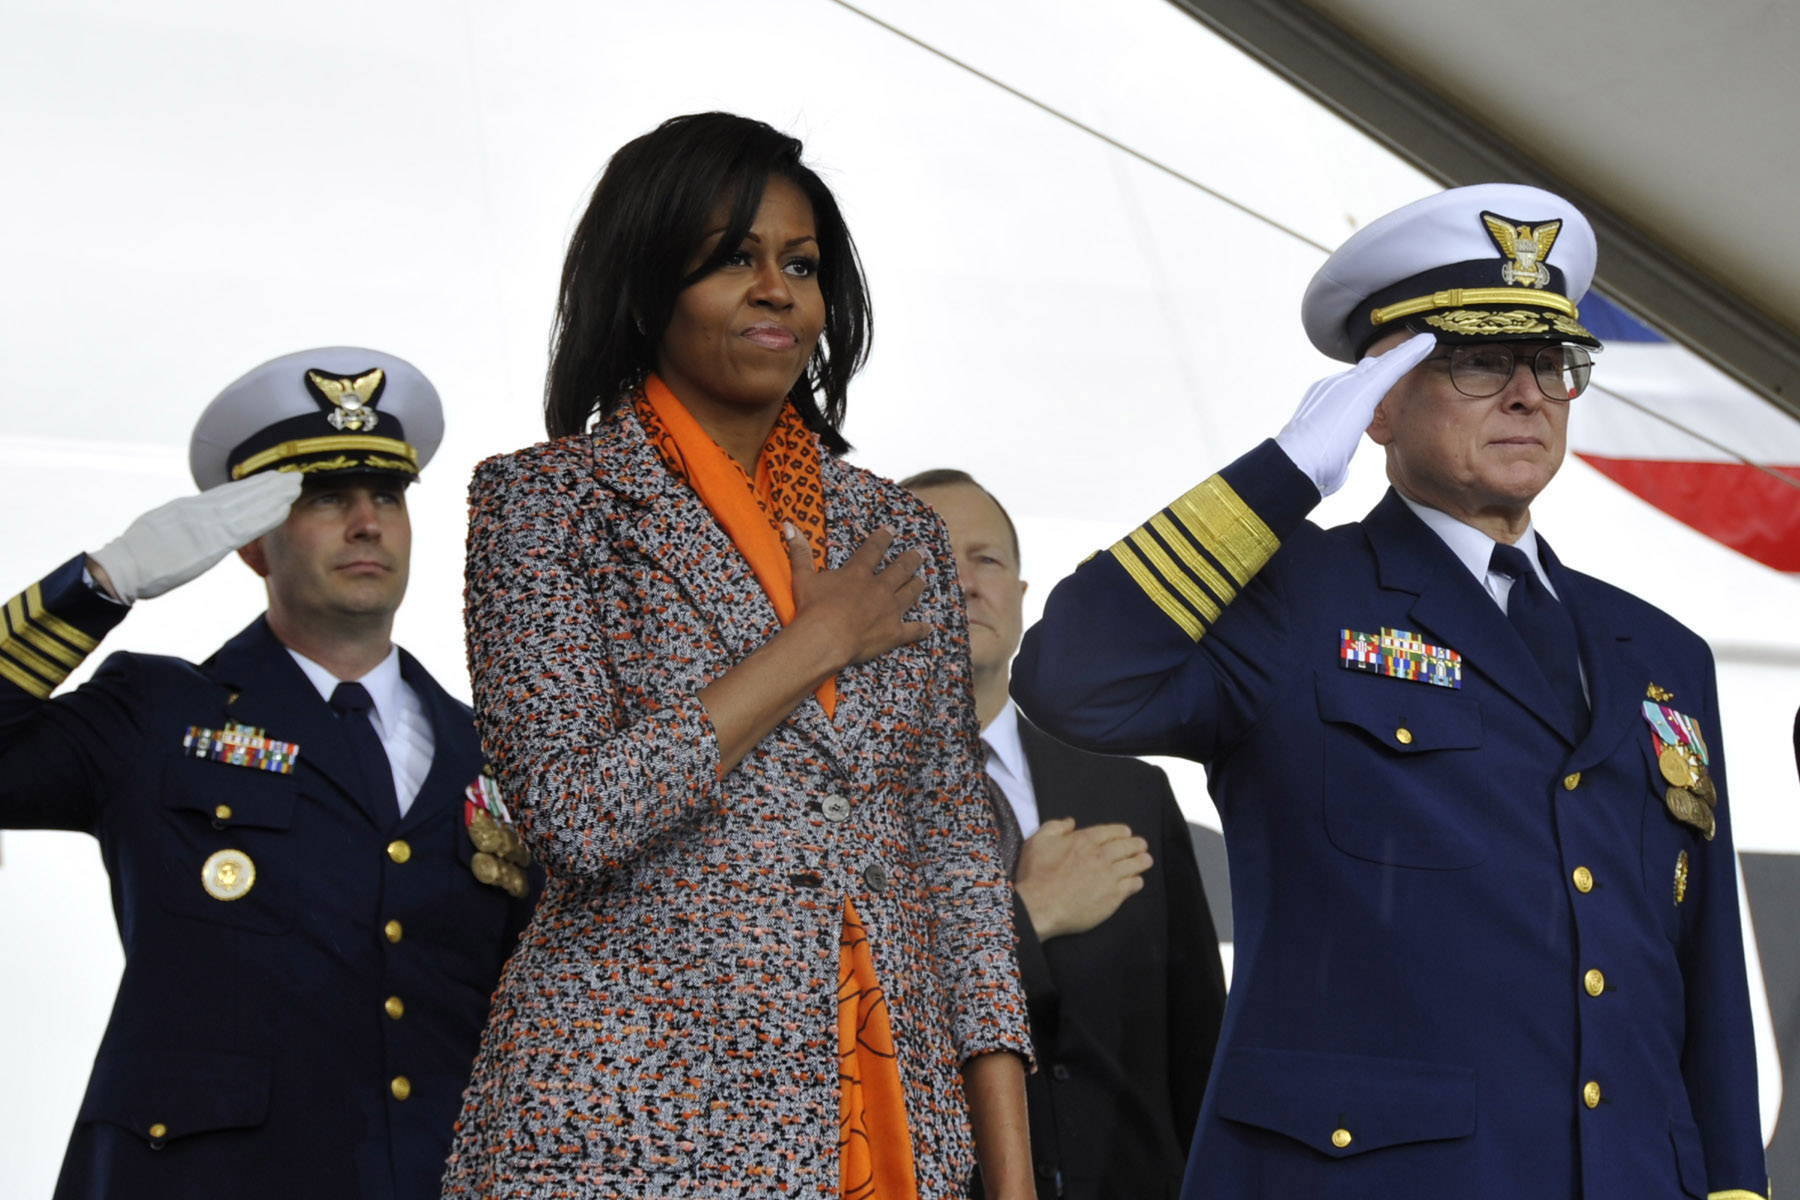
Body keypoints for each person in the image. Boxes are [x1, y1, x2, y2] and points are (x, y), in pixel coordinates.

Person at [1010, 184, 1768, 1199]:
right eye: (1479, 360)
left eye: (1551, 363)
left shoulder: (1662, 651)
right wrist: (1282, 476)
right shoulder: (1298, 598)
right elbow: (1073, 678)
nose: (1528, 394)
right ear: (1379, 404)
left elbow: (1703, 971)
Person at [441, 112, 1033, 1199]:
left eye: (799, 265)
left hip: (892, 1120)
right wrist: (814, 643)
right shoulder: (543, 505)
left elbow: (953, 857)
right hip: (628, 1121)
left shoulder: (897, 532)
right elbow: (574, 817)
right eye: (732, 260)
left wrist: (1011, 1167)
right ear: (644, 284)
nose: (776, 290)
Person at [0, 347, 537, 1199]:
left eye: (388, 498)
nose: (368, 524)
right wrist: (99, 586)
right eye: (326, 498)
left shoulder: (496, 755)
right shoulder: (158, 714)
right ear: (252, 543)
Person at [903, 469, 1227, 1199]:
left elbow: (1199, 1048)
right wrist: (1028, 915)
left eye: (987, 560)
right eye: (930, 557)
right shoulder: (827, 804)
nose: (966, 583)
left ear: (1021, 597)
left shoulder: (1133, 792)